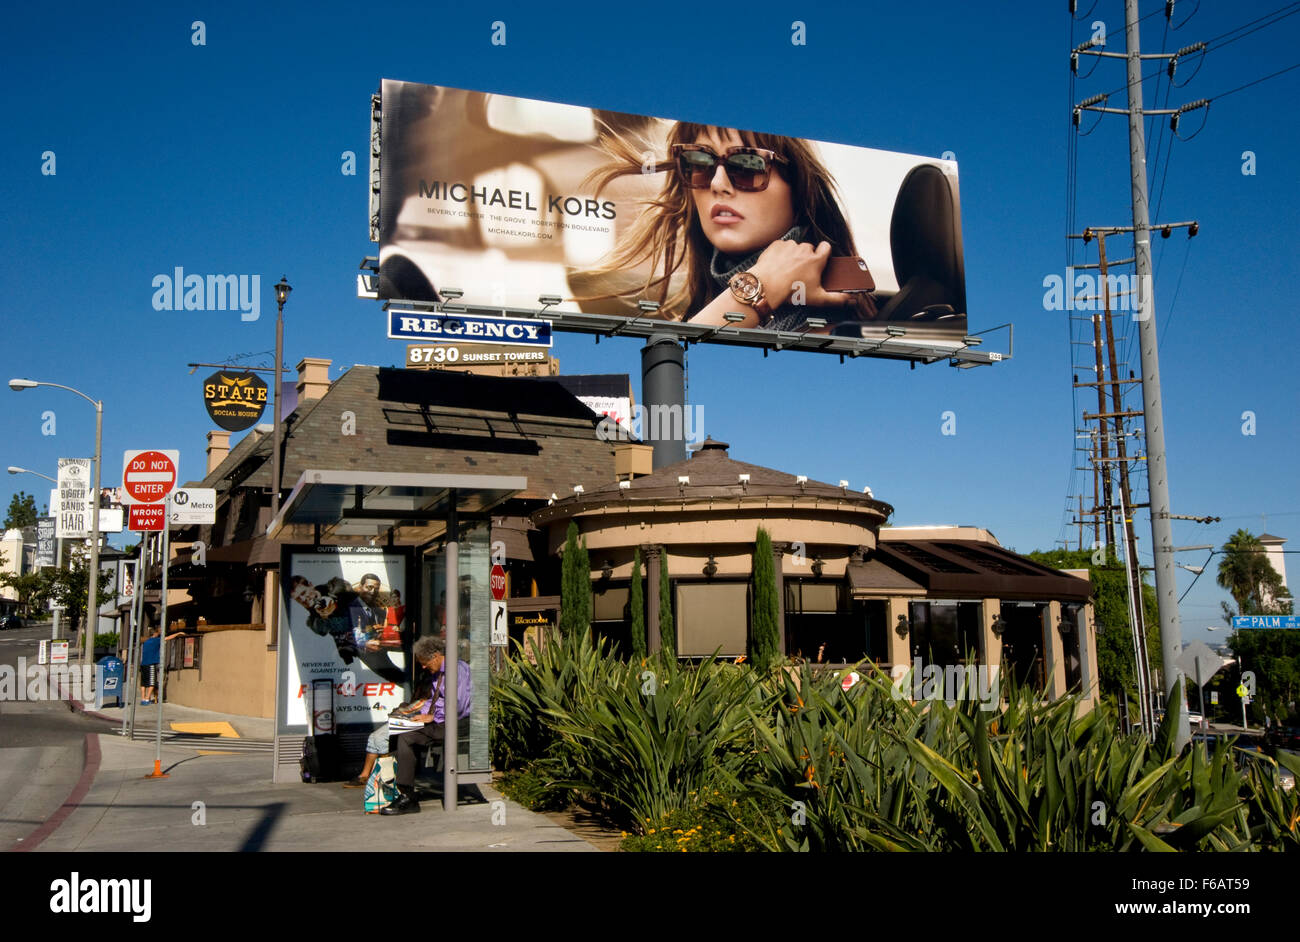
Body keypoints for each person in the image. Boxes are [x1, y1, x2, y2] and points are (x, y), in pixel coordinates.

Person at [579, 121, 877, 332]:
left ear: (798, 189)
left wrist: (759, 288)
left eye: (747, 166)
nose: (718, 183)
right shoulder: (698, 313)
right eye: (700, 162)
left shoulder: (831, 333)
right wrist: (764, 283)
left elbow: (669, 381)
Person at [379, 636, 472, 815]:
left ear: (436, 656)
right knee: (398, 731)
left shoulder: (458, 670)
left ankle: (407, 795)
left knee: (407, 737)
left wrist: (433, 717)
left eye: (424, 662)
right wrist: (422, 714)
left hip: (453, 722)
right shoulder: (438, 673)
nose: (423, 666)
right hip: (440, 720)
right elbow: (434, 698)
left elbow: (458, 705)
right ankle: (404, 788)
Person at [343, 670, 434, 788]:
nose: (423, 667)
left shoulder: (432, 688)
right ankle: (365, 775)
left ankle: (385, 775)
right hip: (408, 717)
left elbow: (418, 707)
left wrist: (400, 710)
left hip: (417, 720)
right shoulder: (423, 685)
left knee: (381, 738)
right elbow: (413, 706)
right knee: (373, 737)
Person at [139, 627, 184, 704]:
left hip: (143, 664)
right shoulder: (156, 640)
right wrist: (178, 633)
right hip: (151, 664)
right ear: (155, 633)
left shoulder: (146, 642)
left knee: (143, 683)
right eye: (158, 633)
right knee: (152, 682)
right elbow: (168, 638)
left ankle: (143, 698)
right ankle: (147, 699)